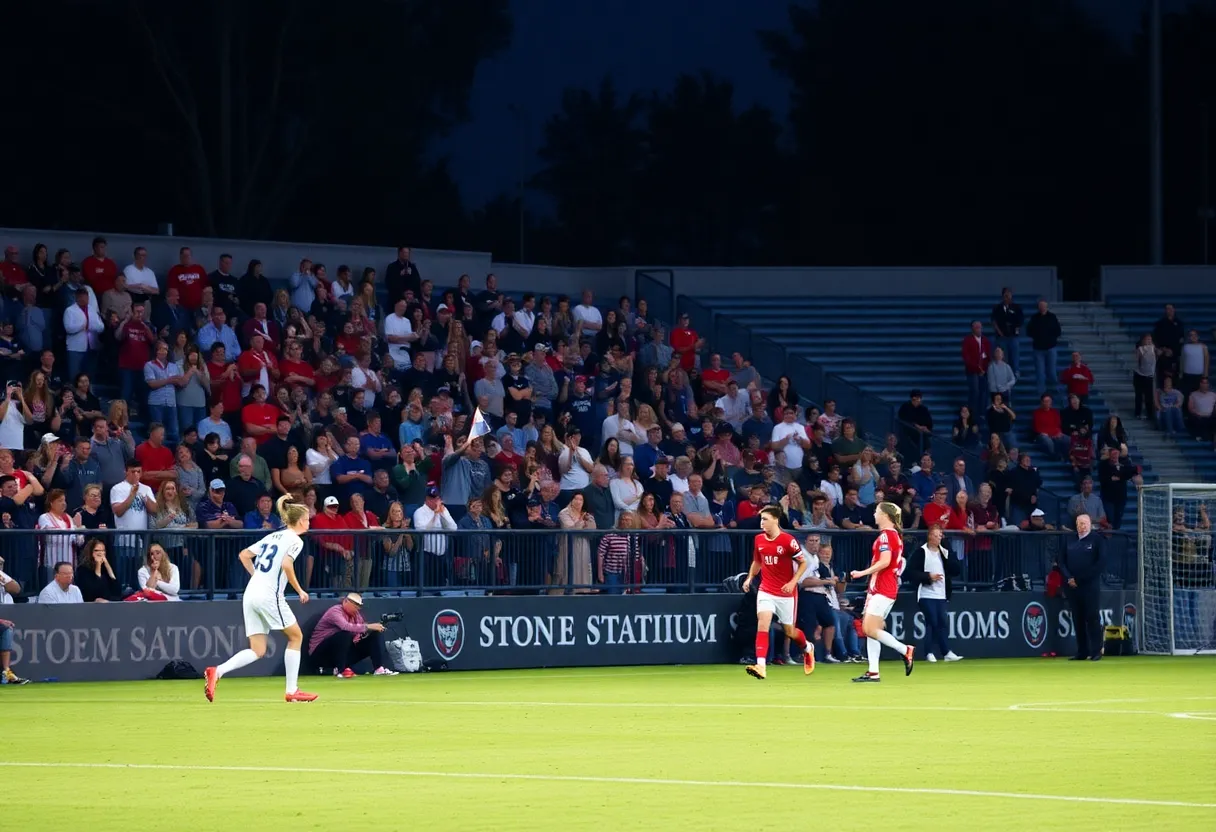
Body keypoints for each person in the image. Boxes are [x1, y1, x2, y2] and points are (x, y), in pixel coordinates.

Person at [204, 494, 317, 703]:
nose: (309, 521)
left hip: (251, 593)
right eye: (307, 518)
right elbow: (286, 565)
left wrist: (257, 577)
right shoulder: (295, 540)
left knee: (258, 649)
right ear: (300, 520)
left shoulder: (272, 536)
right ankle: (292, 690)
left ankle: (217, 671)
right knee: (296, 637)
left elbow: (244, 555)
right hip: (268, 595)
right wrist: (300, 590)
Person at [740, 505, 813, 679]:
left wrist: (793, 582)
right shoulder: (759, 539)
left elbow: (803, 563)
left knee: (790, 631)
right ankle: (761, 666)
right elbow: (757, 561)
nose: (761, 523)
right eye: (761, 519)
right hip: (766, 589)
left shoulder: (788, 540)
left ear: (775, 520)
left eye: (765, 519)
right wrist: (750, 578)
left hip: (786, 593)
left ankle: (808, 648)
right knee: (763, 623)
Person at [849, 501, 915, 682]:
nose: (874, 514)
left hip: (883, 587)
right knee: (872, 629)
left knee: (868, 628)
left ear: (885, 515)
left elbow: (885, 561)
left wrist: (862, 573)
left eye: (877, 511)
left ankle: (905, 650)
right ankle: (873, 671)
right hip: (884, 587)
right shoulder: (893, 536)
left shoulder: (886, 536)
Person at [307, 592, 398, 677]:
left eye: (359, 606)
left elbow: (358, 632)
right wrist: (368, 626)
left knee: (375, 633)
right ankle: (340, 670)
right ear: (346, 602)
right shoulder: (335, 611)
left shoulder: (356, 615)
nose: (357, 608)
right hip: (320, 653)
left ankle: (379, 669)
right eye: (355, 605)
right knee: (344, 635)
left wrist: (366, 634)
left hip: (340, 654)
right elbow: (345, 626)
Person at [906, 524, 962, 663]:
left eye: (940, 536)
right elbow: (910, 572)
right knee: (932, 621)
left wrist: (949, 555)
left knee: (942, 622)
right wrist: (928, 576)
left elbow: (955, 570)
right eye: (936, 536)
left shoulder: (944, 552)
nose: (938, 538)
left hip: (941, 594)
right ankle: (929, 652)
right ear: (930, 536)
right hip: (926, 594)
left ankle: (946, 652)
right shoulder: (921, 552)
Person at [1058, 513, 1107, 662]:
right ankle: (1082, 651)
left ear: (1090, 524)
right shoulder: (1069, 539)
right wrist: (1069, 578)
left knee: (1092, 617)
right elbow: (1061, 560)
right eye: (1079, 523)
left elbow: (1100, 563)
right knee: (1077, 618)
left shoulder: (1097, 540)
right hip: (1072, 586)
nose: (1082, 526)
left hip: (1089, 586)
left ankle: (1096, 650)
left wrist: (1080, 579)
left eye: (1084, 523)